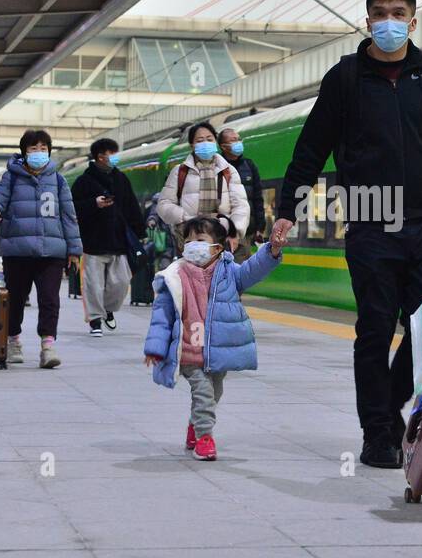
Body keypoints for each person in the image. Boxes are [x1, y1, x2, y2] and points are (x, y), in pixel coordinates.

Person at [270, 0, 422, 469]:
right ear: (368, 21)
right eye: (380, 13)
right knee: (373, 328)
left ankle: (389, 410)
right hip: (371, 218)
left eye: (399, 12)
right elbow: (310, 150)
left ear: (414, 22)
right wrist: (288, 209)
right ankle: (376, 434)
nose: (389, 21)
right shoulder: (345, 78)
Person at [143, 216, 284, 461]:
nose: (192, 245)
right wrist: (155, 348)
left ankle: (195, 426)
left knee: (214, 392)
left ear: (217, 248)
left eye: (199, 240)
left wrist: (271, 251)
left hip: (217, 349)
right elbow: (161, 315)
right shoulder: (175, 275)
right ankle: (205, 438)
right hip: (189, 348)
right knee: (204, 391)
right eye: (188, 241)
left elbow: (253, 270)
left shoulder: (229, 272)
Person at [0, 130, 82, 369]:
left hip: (52, 251)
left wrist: (75, 249)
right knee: (14, 300)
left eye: (43, 148)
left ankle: (48, 347)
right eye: (33, 149)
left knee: (49, 300)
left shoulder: (58, 180)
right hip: (18, 250)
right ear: (24, 152)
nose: (39, 153)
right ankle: (13, 341)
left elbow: (69, 216)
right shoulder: (12, 177)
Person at [71, 138, 145, 336]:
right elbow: (72, 209)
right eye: (111, 153)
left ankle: (108, 309)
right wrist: (94, 204)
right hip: (92, 243)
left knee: (120, 283)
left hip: (119, 241)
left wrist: (139, 232)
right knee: (93, 285)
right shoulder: (83, 182)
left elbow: (132, 207)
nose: (114, 157)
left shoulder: (121, 179)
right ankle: (95, 320)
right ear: (100, 157)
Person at [156, 122, 249, 251]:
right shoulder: (180, 171)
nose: (206, 143)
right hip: (191, 239)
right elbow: (163, 204)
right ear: (192, 145)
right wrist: (184, 217)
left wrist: (235, 232)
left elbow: (240, 205)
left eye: (210, 139)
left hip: (222, 237)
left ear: (215, 142)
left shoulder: (228, 170)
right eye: (200, 140)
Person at [218, 127, 265, 258]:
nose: (238, 142)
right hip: (221, 232)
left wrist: (260, 226)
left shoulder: (249, 166)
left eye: (239, 139)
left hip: (246, 231)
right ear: (223, 146)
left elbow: (257, 198)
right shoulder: (217, 167)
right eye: (233, 140)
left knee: (240, 271)